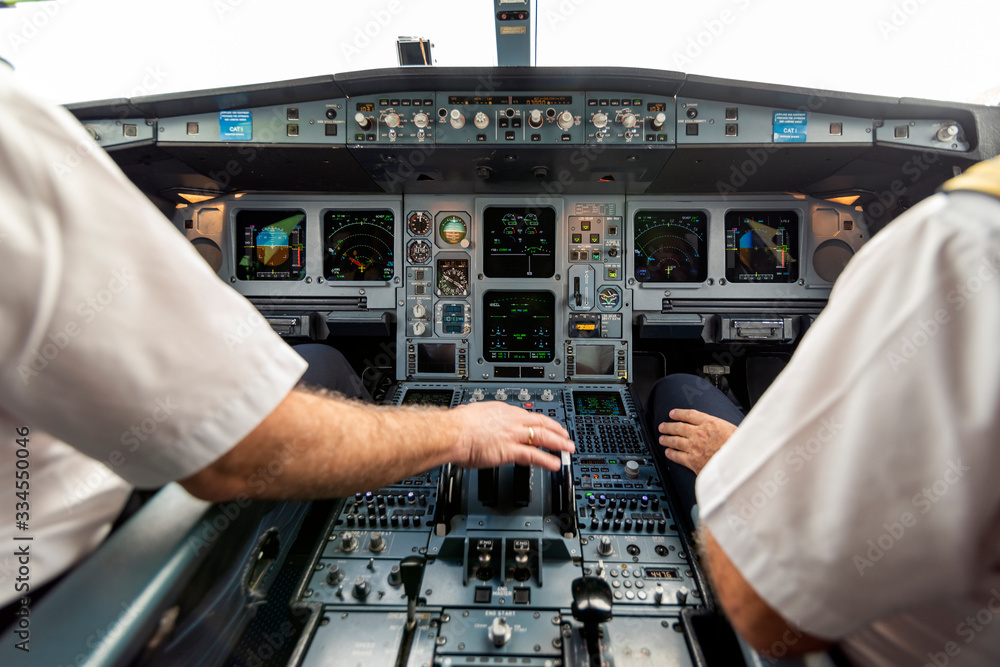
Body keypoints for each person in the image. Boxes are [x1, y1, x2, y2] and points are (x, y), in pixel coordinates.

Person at [0, 59, 574, 621]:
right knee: (319, 362)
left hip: (57, 541)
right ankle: (352, 489)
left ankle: (356, 500)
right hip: (65, 585)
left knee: (321, 360)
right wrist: (457, 429)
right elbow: (230, 444)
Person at [648, 157, 1000, 665]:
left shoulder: (962, 234)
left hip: (821, 645)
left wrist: (732, 459)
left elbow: (766, 614)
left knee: (678, 389)